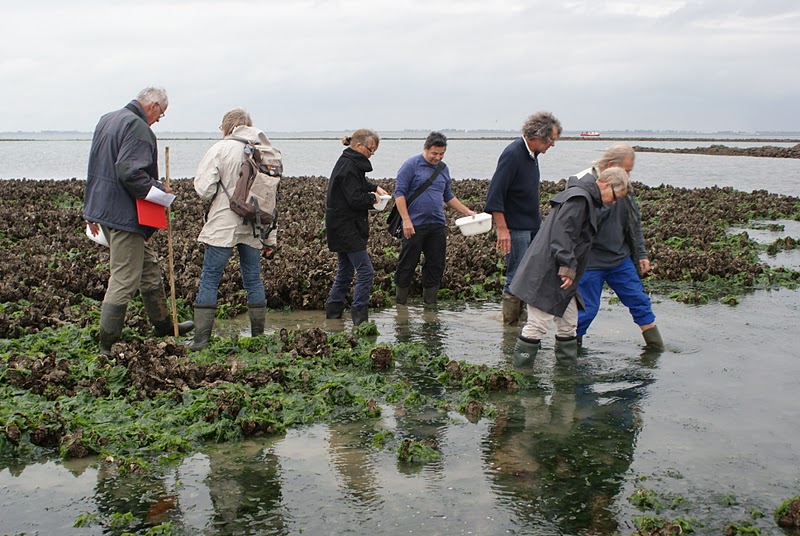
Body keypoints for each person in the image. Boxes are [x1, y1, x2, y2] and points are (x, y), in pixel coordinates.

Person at [84, 87, 193, 356]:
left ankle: (163, 324)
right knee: (124, 277)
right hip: (124, 214)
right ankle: (107, 344)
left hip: (105, 209)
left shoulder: (107, 119)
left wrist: (89, 209)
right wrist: (158, 192)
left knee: (149, 267)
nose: (158, 120)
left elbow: (95, 168)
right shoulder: (138, 127)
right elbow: (129, 172)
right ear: (153, 105)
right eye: (161, 114)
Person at [509, 167, 631, 364]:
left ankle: (565, 379)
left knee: (568, 324)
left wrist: (569, 270)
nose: (614, 202)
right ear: (607, 185)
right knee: (537, 325)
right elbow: (562, 233)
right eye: (616, 197)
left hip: (563, 275)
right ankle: (522, 376)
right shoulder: (580, 199)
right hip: (549, 272)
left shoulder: (585, 199)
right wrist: (567, 267)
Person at [187, 108, 279, 350]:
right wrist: (271, 239)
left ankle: (201, 341)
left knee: (210, 279)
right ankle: (258, 338)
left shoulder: (220, 149)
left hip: (223, 223)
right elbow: (270, 198)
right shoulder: (264, 151)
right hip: (253, 224)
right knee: (253, 279)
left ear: (226, 127)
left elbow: (204, 190)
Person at [576, 145, 663, 349]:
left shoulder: (625, 186)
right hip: (590, 262)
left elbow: (634, 221)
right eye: (627, 170)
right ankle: (570, 351)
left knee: (639, 300)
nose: (630, 176)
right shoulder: (584, 185)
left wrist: (641, 253)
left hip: (619, 260)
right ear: (613, 166)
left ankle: (656, 348)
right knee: (586, 310)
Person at [485, 111, 562, 325]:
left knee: (530, 274)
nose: (552, 145)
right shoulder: (513, 154)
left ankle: (522, 323)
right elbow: (495, 194)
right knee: (516, 276)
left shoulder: (532, 156)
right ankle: (509, 327)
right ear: (537, 136)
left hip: (532, 226)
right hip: (515, 228)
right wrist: (502, 229)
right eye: (551, 140)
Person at [392, 132, 476, 306]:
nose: (438, 157)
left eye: (441, 154)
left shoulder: (443, 168)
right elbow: (399, 194)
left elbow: (448, 196)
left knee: (436, 265)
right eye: (434, 154)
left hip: (437, 224)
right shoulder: (411, 165)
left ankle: (430, 306)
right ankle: (400, 306)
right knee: (407, 264)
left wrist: (467, 211)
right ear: (425, 148)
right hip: (414, 225)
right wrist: (406, 220)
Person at [324, 129, 388, 325]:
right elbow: (354, 198)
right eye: (371, 149)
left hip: (339, 225)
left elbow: (356, 185)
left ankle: (333, 316)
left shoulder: (348, 162)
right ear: (359, 146)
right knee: (366, 271)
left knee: (345, 271)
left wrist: (373, 187)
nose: (372, 153)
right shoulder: (349, 166)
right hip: (347, 227)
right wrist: (372, 199)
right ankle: (360, 317)